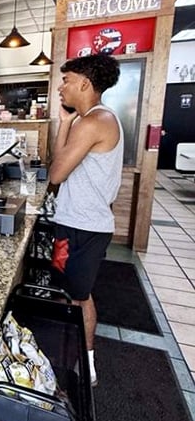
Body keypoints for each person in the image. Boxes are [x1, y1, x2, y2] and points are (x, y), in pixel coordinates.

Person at [48, 54, 123, 387]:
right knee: (67, 290)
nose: (61, 87)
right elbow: (61, 164)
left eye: (67, 80)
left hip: (85, 228)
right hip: (74, 223)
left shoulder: (96, 121)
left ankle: (87, 362)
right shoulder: (85, 120)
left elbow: (56, 172)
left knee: (80, 295)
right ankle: (67, 351)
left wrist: (70, 125)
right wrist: (64, 124)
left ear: (84, 83)